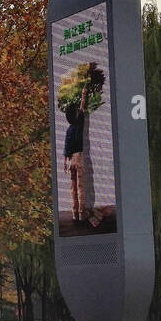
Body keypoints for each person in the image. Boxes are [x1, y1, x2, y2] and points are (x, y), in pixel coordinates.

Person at [64, 84, 90, 225]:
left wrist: (64, 163)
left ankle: (74, 214)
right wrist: (83, 94)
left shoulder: (68, 130)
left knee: (72, 188)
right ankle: (81, 214)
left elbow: (66, 147)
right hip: (78, 157)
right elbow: (82, 108)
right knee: (80, 187)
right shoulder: (79, 124)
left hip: (70, 160)